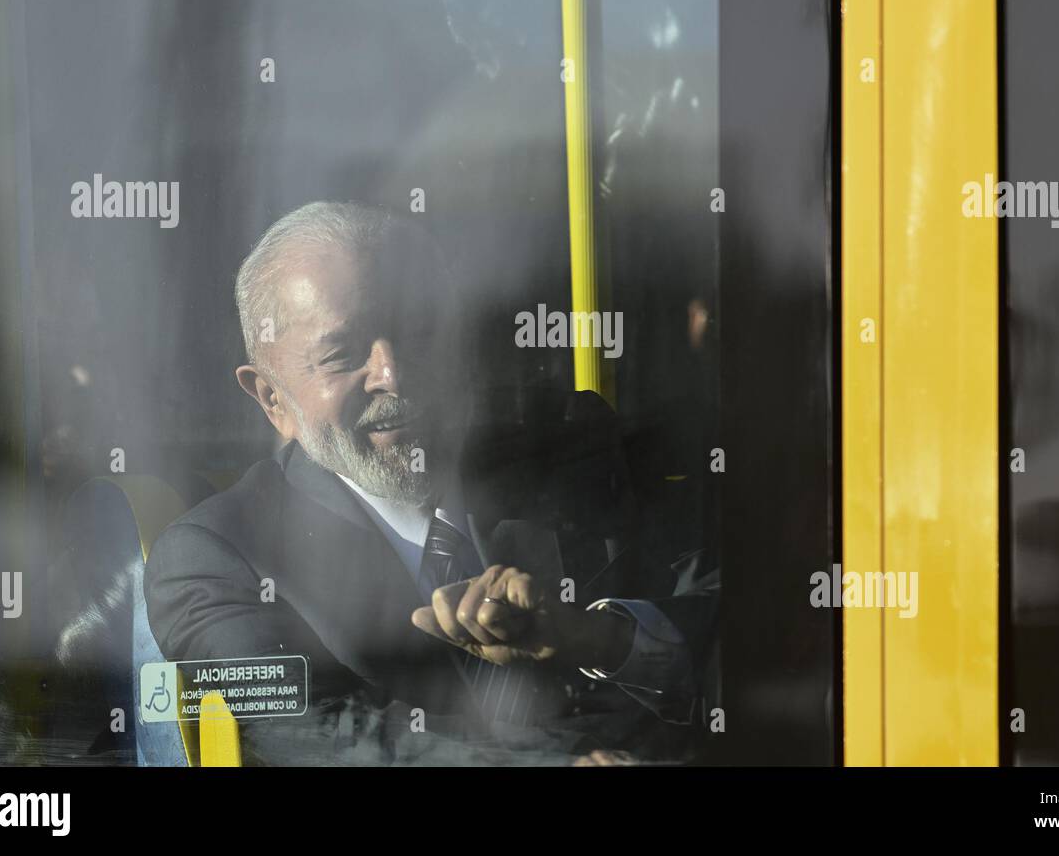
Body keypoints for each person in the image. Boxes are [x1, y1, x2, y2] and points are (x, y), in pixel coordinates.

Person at [143, 201, 718, 764]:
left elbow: (757, 625)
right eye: (342, 354)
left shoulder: (576, 451)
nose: (393, 375)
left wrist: (600, 638)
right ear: (273, 399)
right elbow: (331, 739)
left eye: (420, 333)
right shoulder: (216, 557)